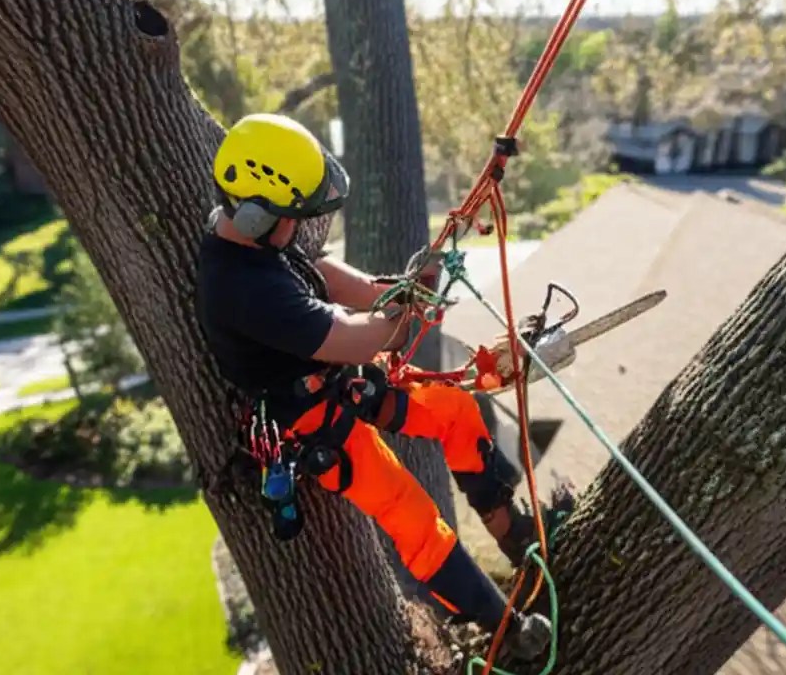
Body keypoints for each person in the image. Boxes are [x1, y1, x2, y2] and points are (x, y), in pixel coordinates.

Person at [195, 113, 563, 659]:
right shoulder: (243, 289)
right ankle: (503, 627)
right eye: (293, 218)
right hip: (312, 419)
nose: (299, 229)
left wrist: (401, 289)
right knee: (411, 511)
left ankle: (512, 532)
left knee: (456, 410)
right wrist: (407, 310)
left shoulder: (260, 242)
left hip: (342, 384)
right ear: (255, 215)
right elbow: (357, 340)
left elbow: (339, 281)